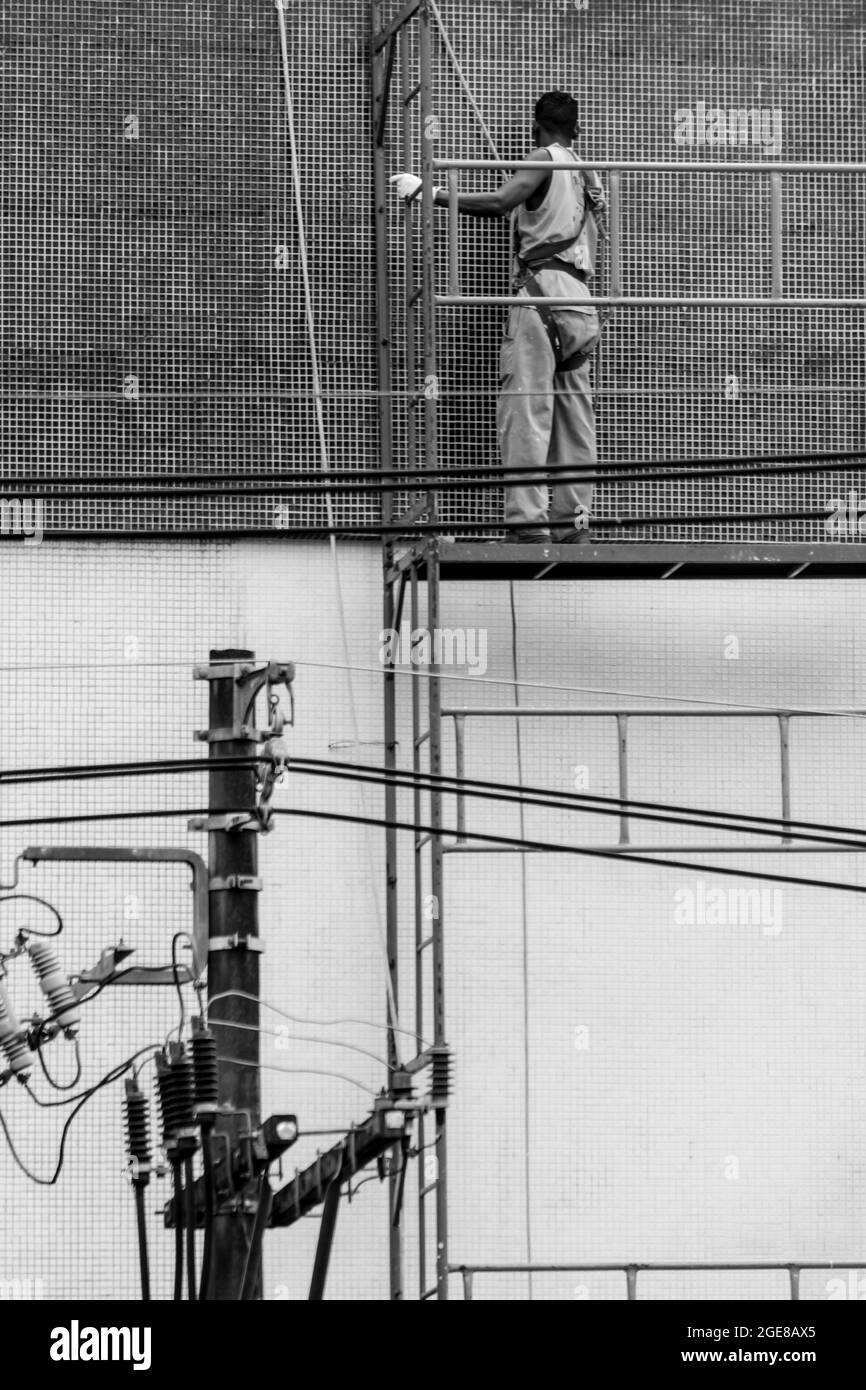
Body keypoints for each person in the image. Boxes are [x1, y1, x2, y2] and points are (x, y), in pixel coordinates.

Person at [392, 90, 607, 543]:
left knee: (527, 412)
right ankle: (575, 524)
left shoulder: (543, 158)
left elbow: (500, 202)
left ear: (536, 127)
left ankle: (528, 525)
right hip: (581, 304)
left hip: (542, 296)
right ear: (578, 130)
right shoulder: (587, 174)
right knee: (574, 418)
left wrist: (429, 192)